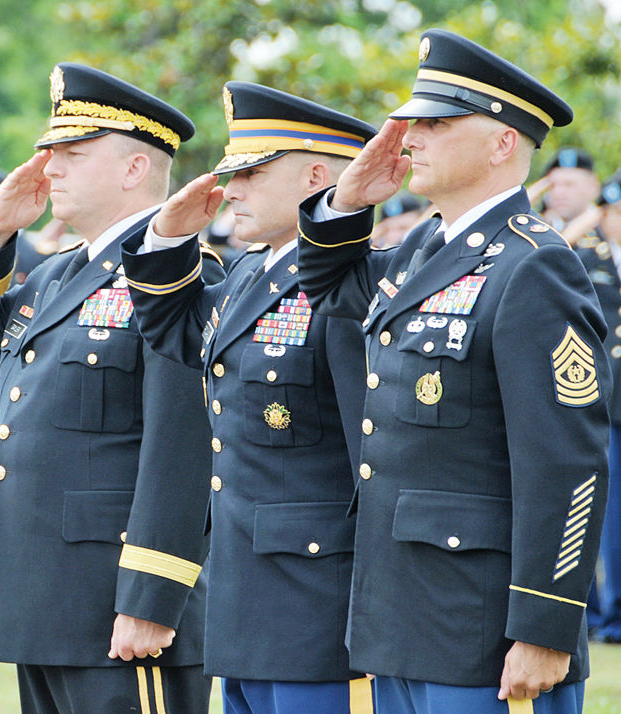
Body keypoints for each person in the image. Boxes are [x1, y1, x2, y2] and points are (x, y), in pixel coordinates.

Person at [296, 28, 609, 713]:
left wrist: (544, 624)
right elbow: (326, 285)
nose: (410, 136)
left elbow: (567, 462)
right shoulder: (418, 254)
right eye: (412, 120)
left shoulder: (534, 264)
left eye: (436, 123)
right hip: (402, 614)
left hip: (484, 630)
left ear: (502, 143)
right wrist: (349, 200)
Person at [0, 62, 223, 713]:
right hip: (43, 600)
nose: (49, 168)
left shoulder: (177, 278)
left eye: (71, 153)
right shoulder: (59, 274)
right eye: (49, 152)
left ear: (132, 170)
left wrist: (151, 596)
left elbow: (181, 445)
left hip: (116, 606)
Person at [119, 83, 375, 712]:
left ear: (318, 175)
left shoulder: (351, 282)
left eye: (252, 175)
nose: (230, 190)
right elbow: (176, 331)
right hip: (246, 592)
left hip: (319, 600)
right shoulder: (245, 276)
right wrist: (166, 239)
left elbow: (373, 451)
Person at [573, 170, 621, 644]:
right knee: (604, 514)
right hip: (604, 403)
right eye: (614, 213)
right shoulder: (585, 256)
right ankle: (605, 616)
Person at [539, 146, 600, 231]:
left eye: (569, 185)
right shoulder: (541, 227)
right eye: (552, 185)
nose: (558, 192)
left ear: (592, 186)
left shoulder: (608, 230)